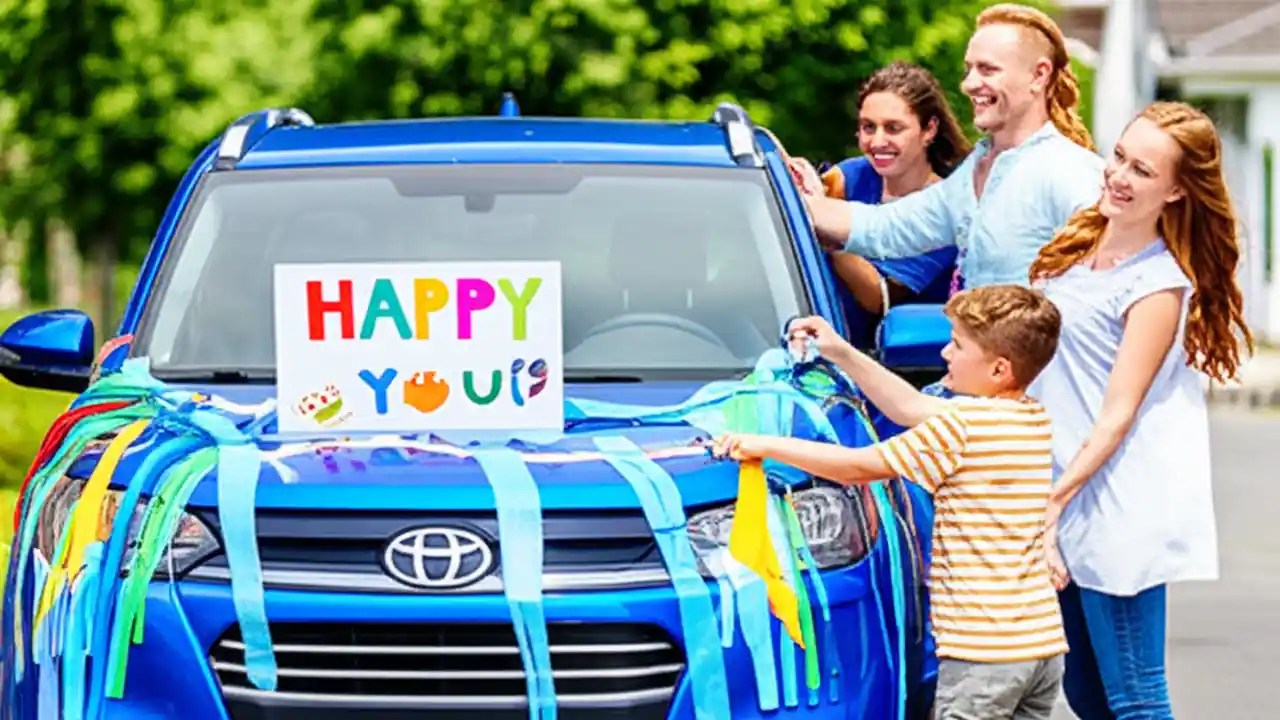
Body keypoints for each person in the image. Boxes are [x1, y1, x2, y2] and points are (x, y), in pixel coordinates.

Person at [712, 284, 1068, 720]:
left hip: (984, 653)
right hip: (1042, 646)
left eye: (957, 345)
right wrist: (841, 351)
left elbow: (857, 466)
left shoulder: (960, 428)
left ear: (998, 370)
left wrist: (763, 444)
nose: (944, 354)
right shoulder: (1030, 417)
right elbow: (910, 406)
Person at [1029, 101, 1252, 719]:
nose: (1119, 176)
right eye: (1120, 156)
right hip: (1067, 499)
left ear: (1177, 190)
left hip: (1116, 511)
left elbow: (1117, 414)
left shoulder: (1157, 285)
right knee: (1086, 693)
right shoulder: (1079, 247)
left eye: (1142, 171)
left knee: (1136, 699)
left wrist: (1052, 502)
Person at [789, 3, 1103, 290]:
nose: (969, 84)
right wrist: (798, 198)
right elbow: (886, 228)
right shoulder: (975, 171)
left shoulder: (1070, 172)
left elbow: (1115, 291)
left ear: (1039, 75)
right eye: (969, 69)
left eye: (987, 69)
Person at [820, 61, 973, 347]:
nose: (877, 141)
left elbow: (878, 297)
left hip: (896, 369)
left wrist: (828, 233)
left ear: (929, 130)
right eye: (868, 127)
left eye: (893, 128)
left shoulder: (948, 209)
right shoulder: (849, 176)